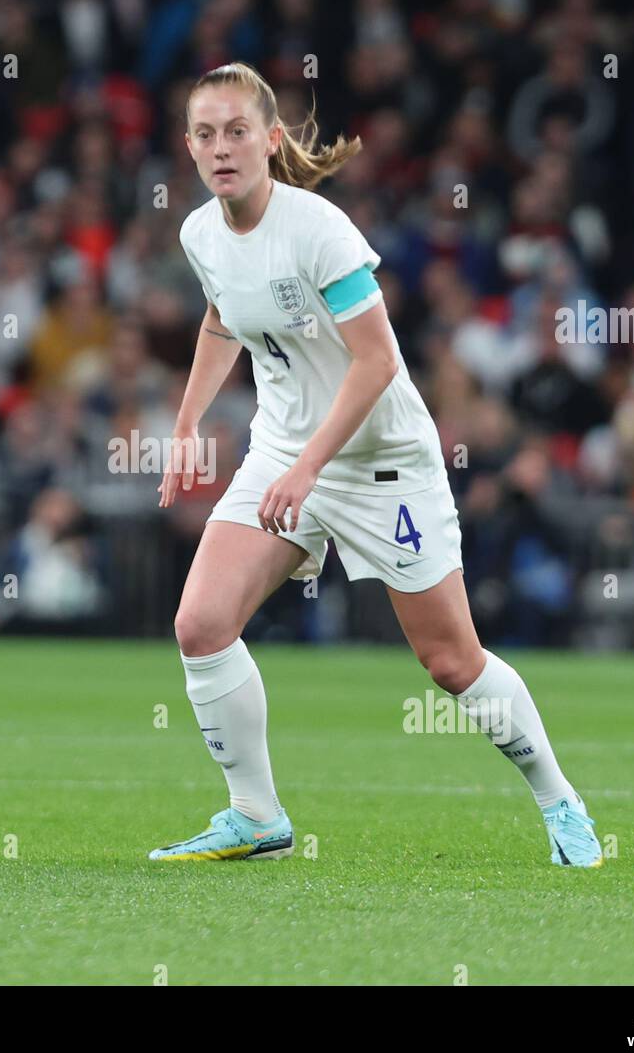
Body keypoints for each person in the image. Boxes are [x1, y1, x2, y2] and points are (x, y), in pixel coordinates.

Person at [152, 62, 601, 867]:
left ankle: (560, 800)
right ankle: (256, 816)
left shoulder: (318, 229)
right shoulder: (199, 234)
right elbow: (223, 318)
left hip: (381, 462)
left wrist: (310, 468)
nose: (223, 147)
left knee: (451, 662)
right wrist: (187, 421)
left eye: (238, 131)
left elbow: (378, 361)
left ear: (271, 139)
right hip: (283, 450)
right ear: (189, 147)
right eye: (207, 134)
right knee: (200, 624)